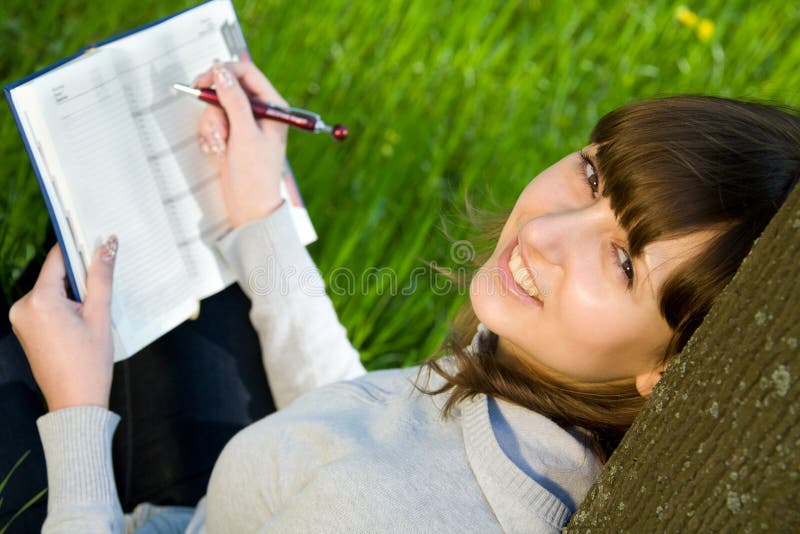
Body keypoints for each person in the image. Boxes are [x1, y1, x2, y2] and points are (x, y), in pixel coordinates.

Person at [8, 60, 800, 532]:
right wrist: (262, 219)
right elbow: (360, 422)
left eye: (623, 261)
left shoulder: (398, 515)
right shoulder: (545, 413)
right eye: (591, 174)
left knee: (67, 292)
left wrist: (75, 417)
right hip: (228, 501)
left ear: (673, 369)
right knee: (136, 230)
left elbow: (373, 478)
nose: (547, 232)